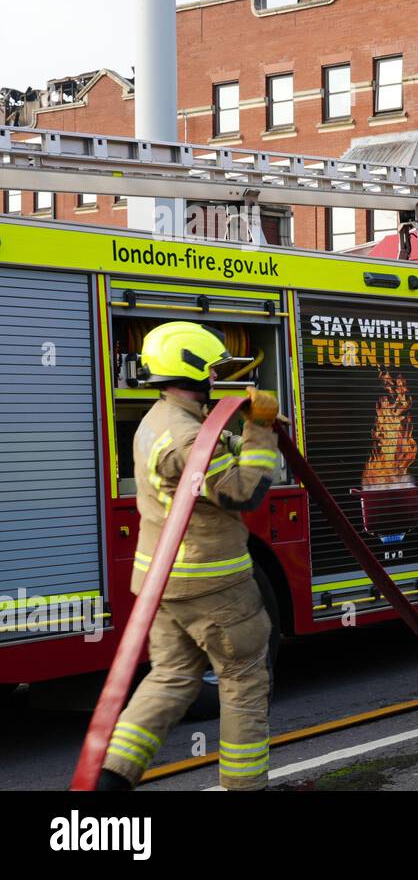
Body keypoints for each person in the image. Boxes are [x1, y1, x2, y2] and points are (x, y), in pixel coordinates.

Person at [97, 321, 280, 791]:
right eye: (214, 370)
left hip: (161, 583)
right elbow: (244, 493)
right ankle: (246, 786)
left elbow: (212, 455)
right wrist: (261, 430)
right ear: (194, 370)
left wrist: (236, 434)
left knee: (171, 676)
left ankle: (109, 782)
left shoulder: (158, 422)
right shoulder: (186, 438)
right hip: (213, 585)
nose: (217, 378)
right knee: (244, 679)